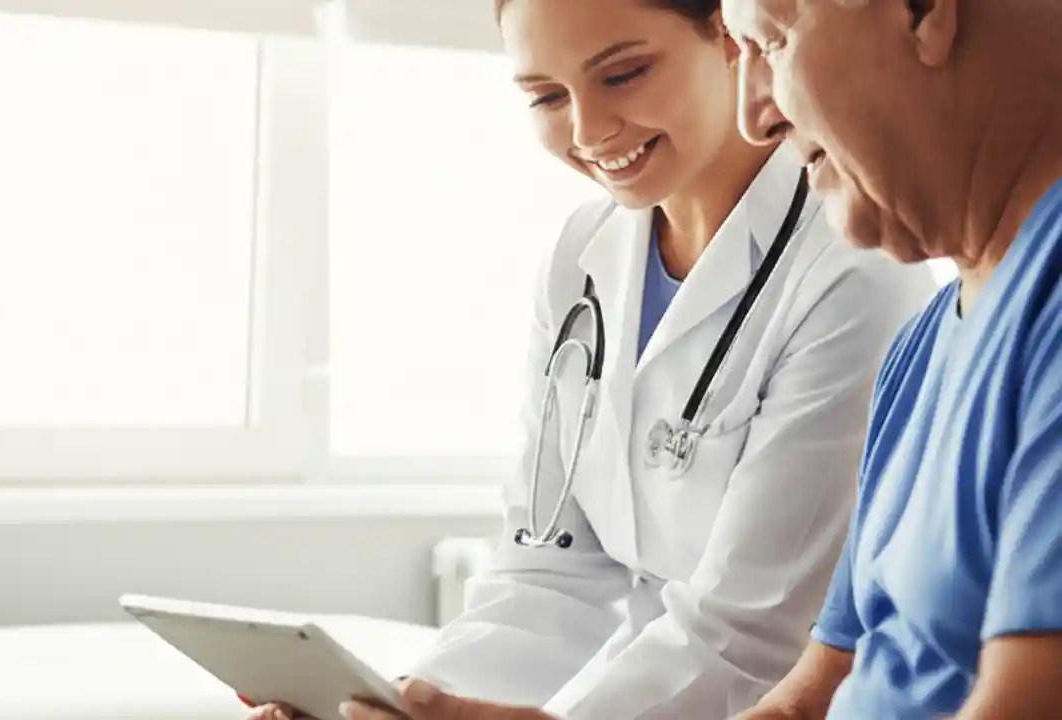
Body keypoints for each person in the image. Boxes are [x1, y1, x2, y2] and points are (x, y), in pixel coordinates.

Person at [254, 1, 931, 719]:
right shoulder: (582, 254)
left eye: (624, 74)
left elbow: (752, 636)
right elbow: (547, 572)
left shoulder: (852, 264)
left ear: (732, 36)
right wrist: (394, 704)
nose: (586, 131)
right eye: (547, 96)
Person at [715, 0, 1062, 717]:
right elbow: (815, 695)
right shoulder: (922, 348)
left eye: (771, 43)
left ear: (925, 11)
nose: (755, 117)